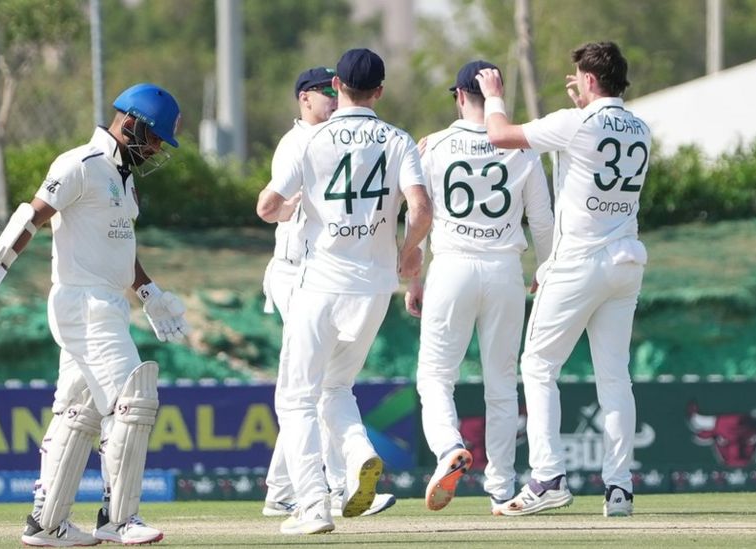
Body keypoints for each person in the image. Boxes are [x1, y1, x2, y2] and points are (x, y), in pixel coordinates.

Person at [0, 83, 190, 545]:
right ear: (130, 124)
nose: (158, 147)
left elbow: (120, 245)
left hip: (108, 303)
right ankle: (119, 519)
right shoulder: (79, 163)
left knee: (78, 412)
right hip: (83, 303)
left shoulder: (124, 178)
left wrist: (149, 293)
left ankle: (48, 525)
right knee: (132, 397)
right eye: (155, 136)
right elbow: (34, 215)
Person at [257, 48, 431, 535]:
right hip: (374, 287)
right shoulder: (398, 140)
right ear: (378, 91)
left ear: (337, 87)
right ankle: (359, 458)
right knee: (335, 388)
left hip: (320, 282)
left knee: (295, 399)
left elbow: (267, 206)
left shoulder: (311, 140)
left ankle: (311, 505)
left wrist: (291, 207)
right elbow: (420, 207)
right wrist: (412, 252)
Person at [476, 41, 651, 518]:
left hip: (581, 261)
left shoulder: (576, 122)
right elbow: (590, 148)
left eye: (580, 77)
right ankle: (619, 488)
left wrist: (492, 95)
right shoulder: (640, 126)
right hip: (626, 259)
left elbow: (499, 136)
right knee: (614, 377)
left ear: (589, 80)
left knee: (537, 365)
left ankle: (548, 477)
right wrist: (582, 107)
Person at [408, 60, 555, 516]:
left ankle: (450, 446)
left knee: (435, 376)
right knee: (501, 385)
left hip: (451, 267)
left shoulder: (432, 147)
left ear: (458, 96)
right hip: (504, 268)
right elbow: (544, 222)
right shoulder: (521, 147)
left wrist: (415, 278)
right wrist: (545, 269)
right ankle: (502, 486)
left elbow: (420, 215)